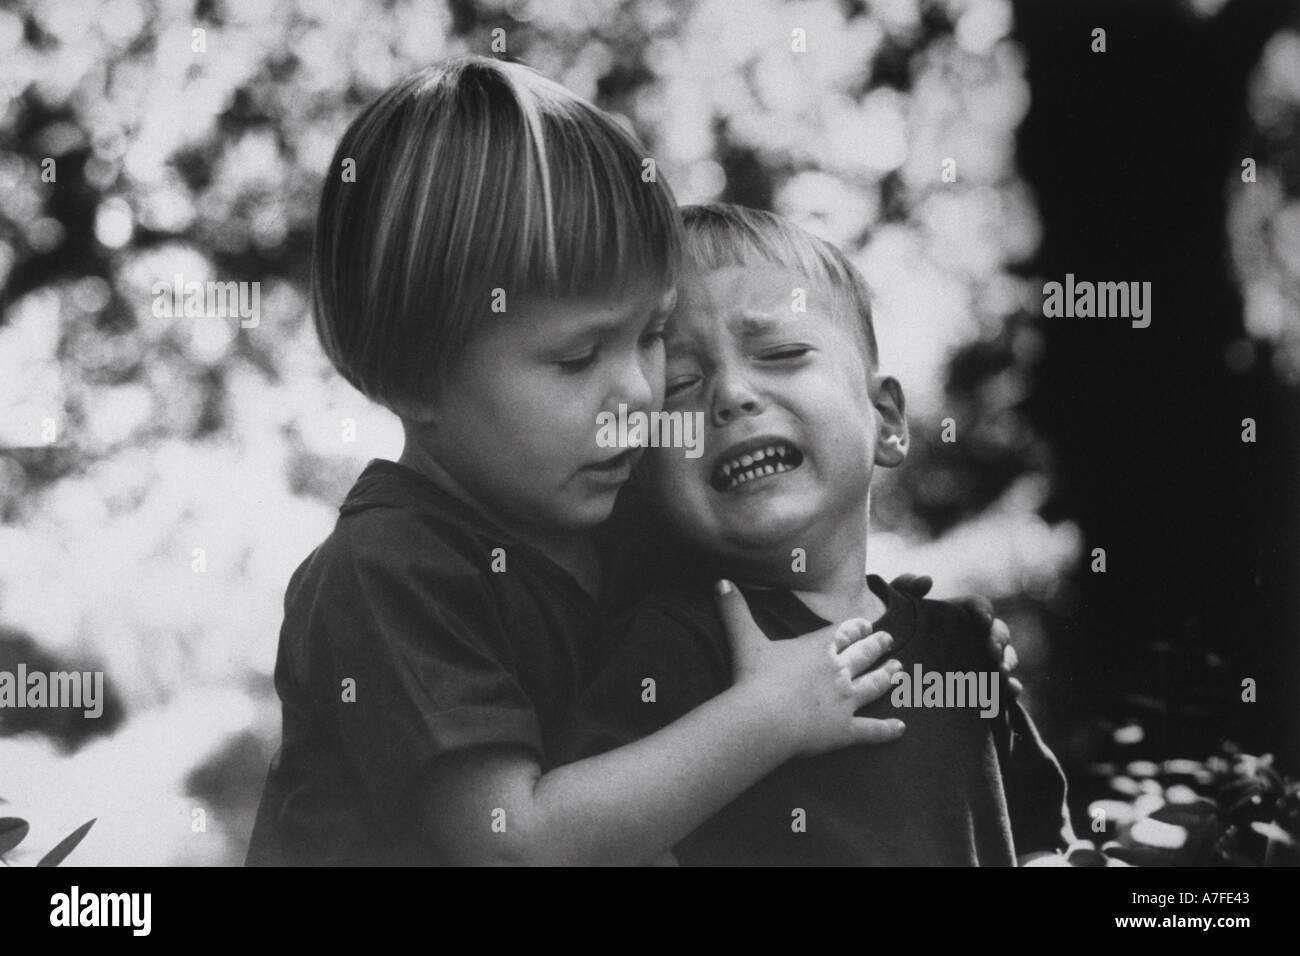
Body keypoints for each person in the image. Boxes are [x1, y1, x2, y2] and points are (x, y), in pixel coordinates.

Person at [245, 58, 905, 866]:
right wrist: (767, 717)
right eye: (577, 357)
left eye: (650, 336)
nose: (637, 388)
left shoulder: (616, 516)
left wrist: (885, 621)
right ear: (416, 376)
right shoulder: (389, 572)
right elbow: (512, 842)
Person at [563, 204, 1076, 865]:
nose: (732, 395)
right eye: (682, 385)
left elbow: (1039, 839)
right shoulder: (677, 647)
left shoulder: (963, 648)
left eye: (779, 352)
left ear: (887, 418)